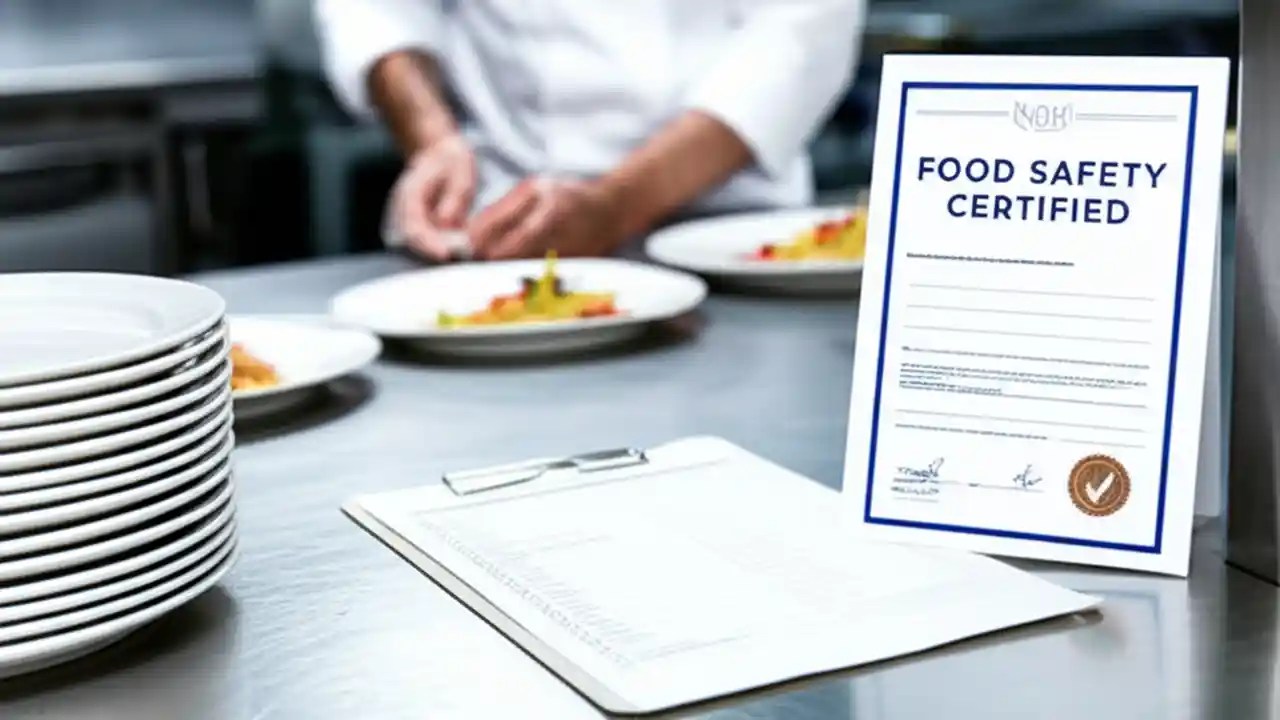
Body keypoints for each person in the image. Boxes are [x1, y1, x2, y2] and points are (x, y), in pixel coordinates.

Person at [315, 0, 863, 262]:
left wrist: (619, 203)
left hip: (729, 231)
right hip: (494, 233)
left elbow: (800, 33)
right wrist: (433, 140)